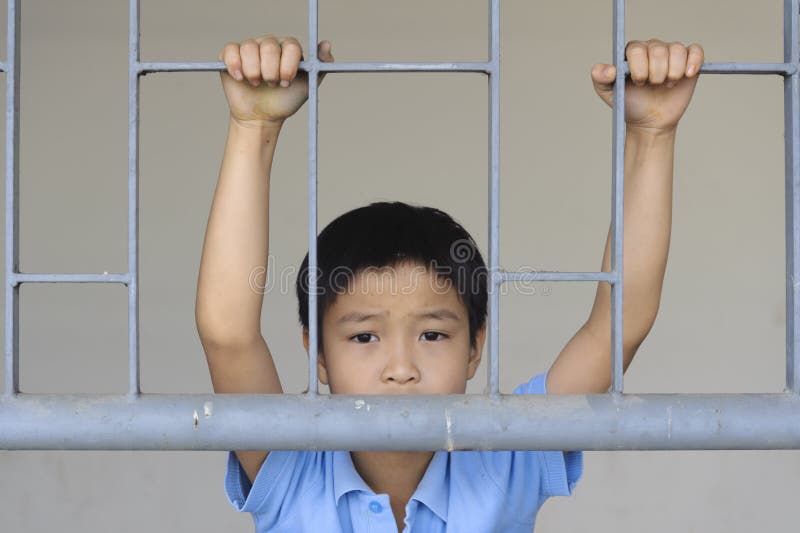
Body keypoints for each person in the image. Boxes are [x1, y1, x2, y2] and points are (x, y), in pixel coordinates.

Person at [196, 34, 704, 532]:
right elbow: (228, 333)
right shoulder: (290, 466)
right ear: (317, 356)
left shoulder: (505, 456)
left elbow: (620, 324)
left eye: (433, 335)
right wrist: (253, 124)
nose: (401, 369)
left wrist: (652, 135)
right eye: (364, 336)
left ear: (475, 348)